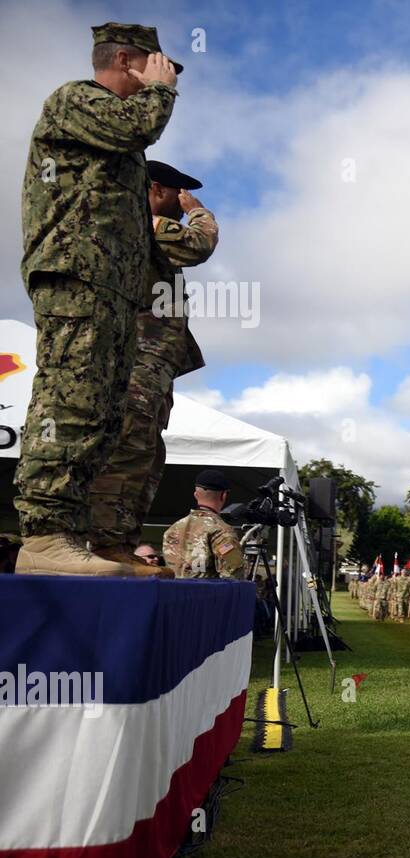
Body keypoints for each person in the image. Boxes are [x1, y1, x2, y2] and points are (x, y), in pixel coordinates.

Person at [14, 22, 180, 576]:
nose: (167, 73)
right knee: (71, 400)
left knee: (107, 416)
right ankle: (43, 537)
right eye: (157, 63)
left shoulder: (121, 144)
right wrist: (160, 91)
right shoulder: (75, 101)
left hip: (112, 290)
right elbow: (140, 126)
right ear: (127, 58)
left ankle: (87, 538)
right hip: (75, 276)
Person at [87, 161, 217, 573]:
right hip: (138, 364)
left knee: (145, 455)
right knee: (129, 452)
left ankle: (121, 545)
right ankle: (108, 546)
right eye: (178, 193)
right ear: (157, 189)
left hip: (151, 369)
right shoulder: (144, 220)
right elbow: (198, 245)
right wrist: (198, 212)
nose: (183, 202)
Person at [161, 468, 244, 579]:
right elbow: (234, 574)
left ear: (196, 494)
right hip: (205, 595)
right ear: (223, 496)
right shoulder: (221, 531)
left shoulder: (172, 529)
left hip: (173, 594)